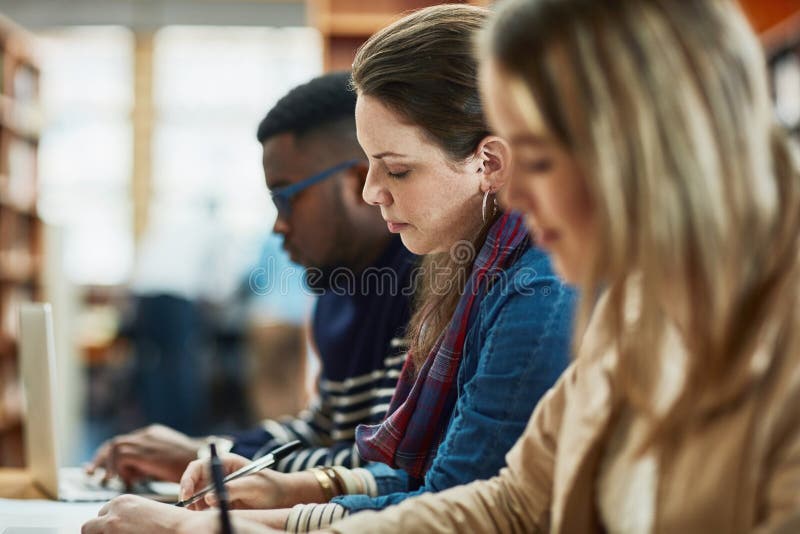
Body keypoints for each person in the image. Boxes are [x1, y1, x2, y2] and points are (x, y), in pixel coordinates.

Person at [297, 0, 800, 532]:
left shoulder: (774, 349)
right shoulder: (632, 315)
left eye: (538, 160)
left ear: (640, 149)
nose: (516, 192)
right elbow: (514, 502)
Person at [81, 5, 575, 533]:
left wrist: (217, 526)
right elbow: (425, 474)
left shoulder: (538, 284)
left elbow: (456, 500)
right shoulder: (467, 270)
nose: (370, 192)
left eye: (397, 169)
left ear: (490, 165)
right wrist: (294, 488)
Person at [86, 72, 417, 485]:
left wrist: (215, 461)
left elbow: (385, 470)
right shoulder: (339, 291)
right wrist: (211, 453)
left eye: (285, 197)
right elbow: (323, 431)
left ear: (355, 184)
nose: (278, 226)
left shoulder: (424, 280)